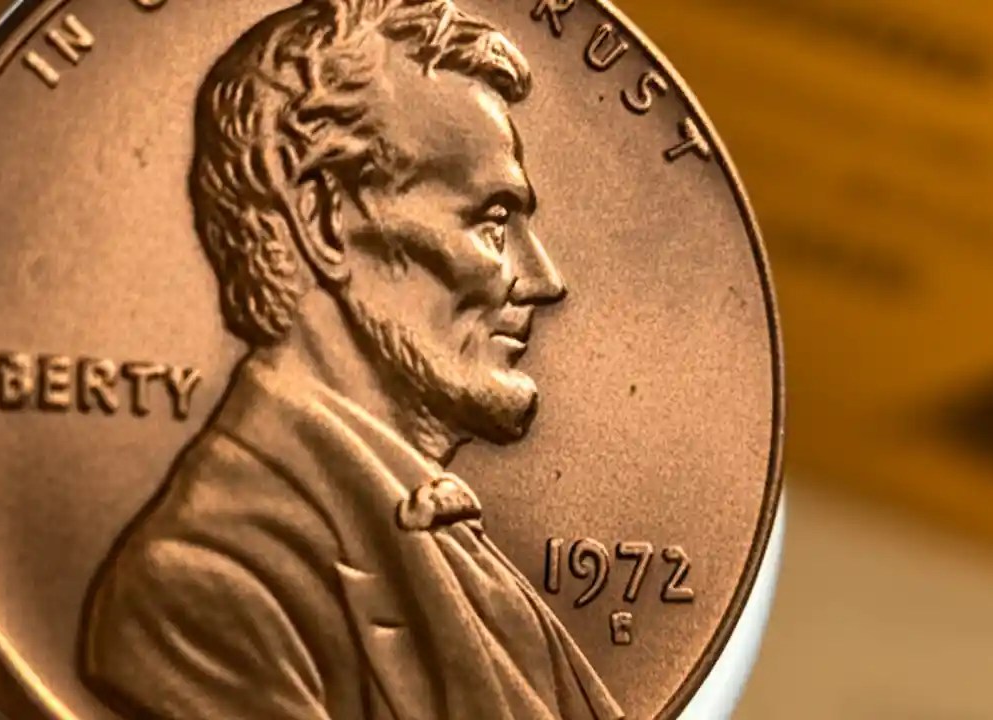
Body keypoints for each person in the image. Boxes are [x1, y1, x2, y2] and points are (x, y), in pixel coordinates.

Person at [79, 1, 623, 718]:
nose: (544, 279)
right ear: (324, 218)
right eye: (491, 222)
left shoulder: (467, 557)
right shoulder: (201, 587)